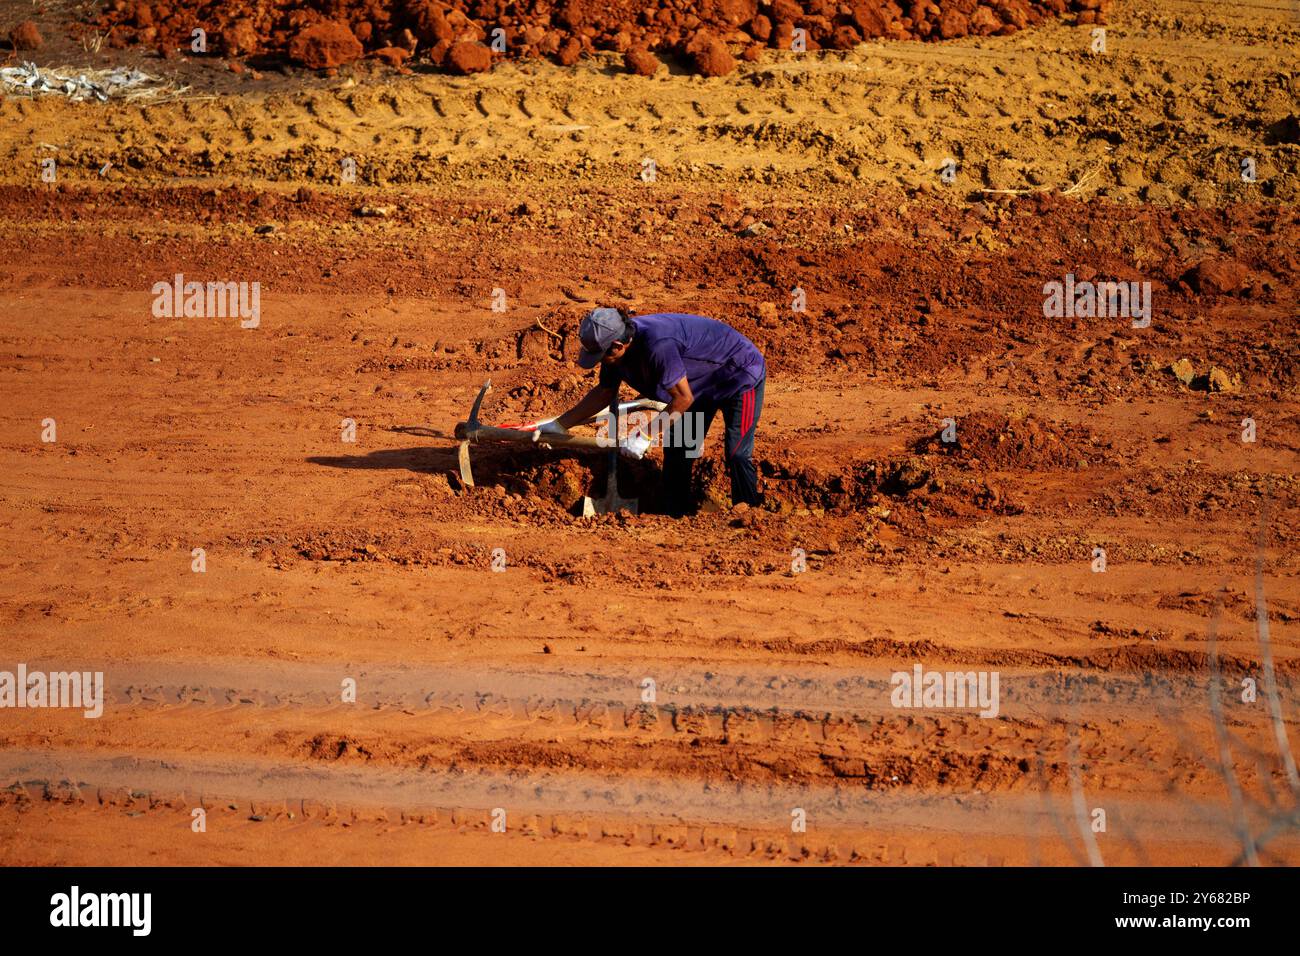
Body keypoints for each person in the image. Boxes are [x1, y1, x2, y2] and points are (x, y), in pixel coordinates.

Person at [541, 307, 766, 516]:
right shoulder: (615, 353)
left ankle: (749, 515)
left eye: (603, 357)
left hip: (739, 375)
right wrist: (560, 424)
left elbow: (683, 398)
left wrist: (644, 435)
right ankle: (676, 515)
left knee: (737, 453)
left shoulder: (657, 346)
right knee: (679, 450)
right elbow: (604, 392)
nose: (602, 362)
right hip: (696, 387)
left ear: (619, 345)